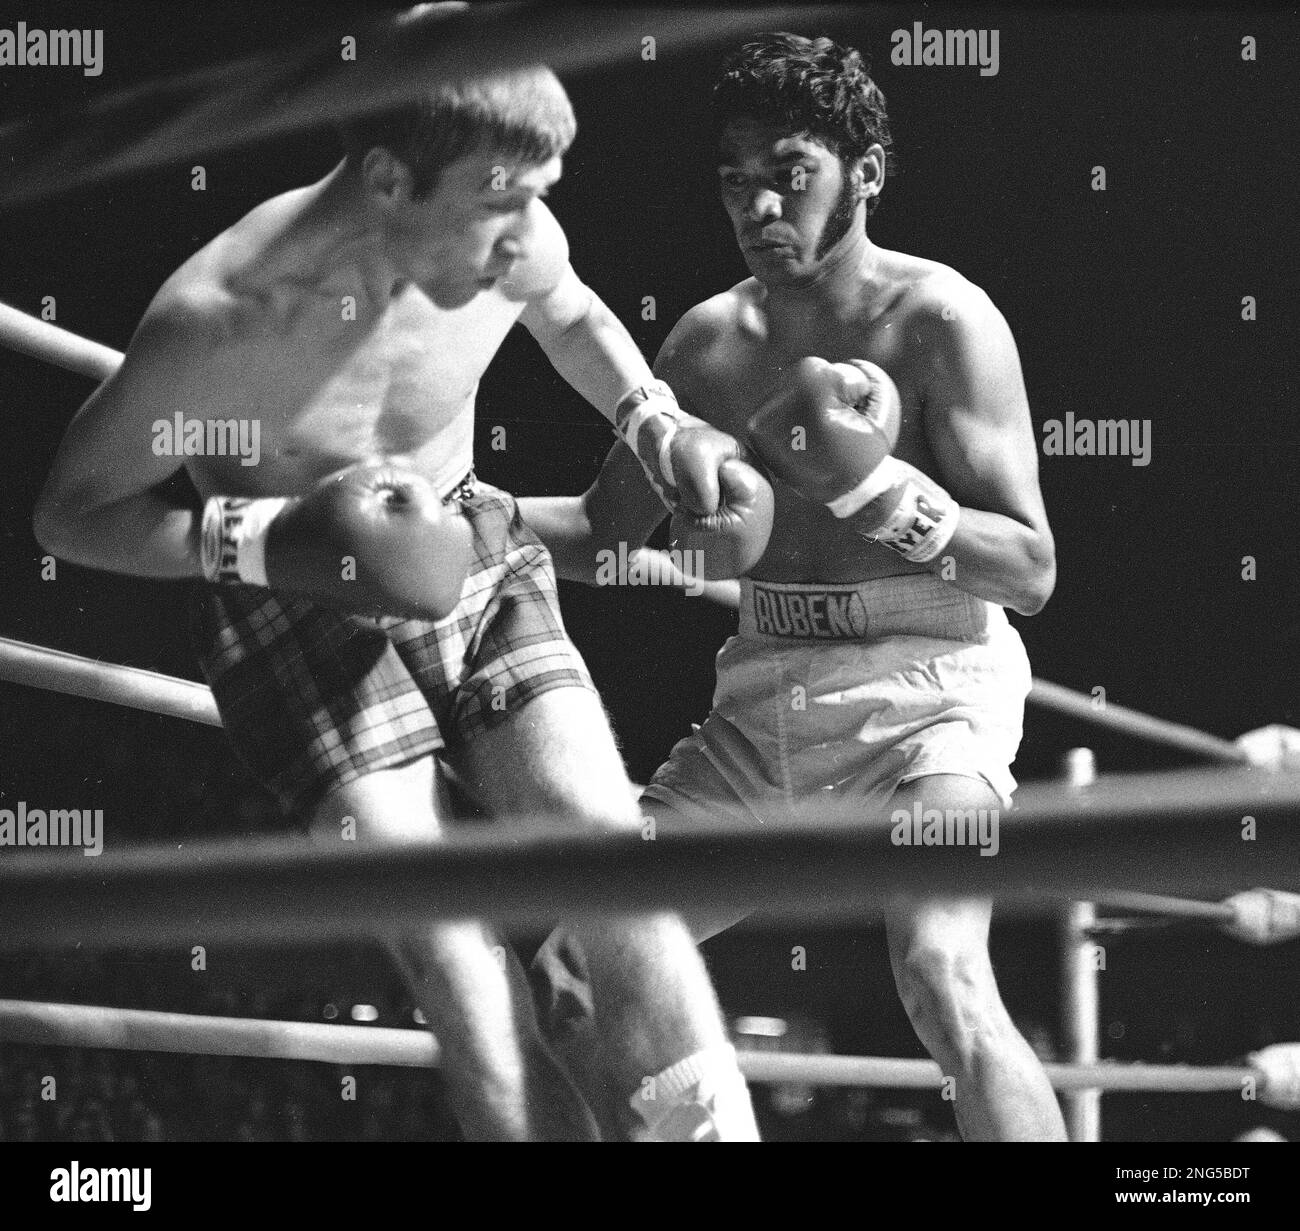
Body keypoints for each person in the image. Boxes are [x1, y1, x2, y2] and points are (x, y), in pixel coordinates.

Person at [32, 50, 762, 1142]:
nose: (524, 236)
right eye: (498, 202)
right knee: (455, 955)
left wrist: (656, 422)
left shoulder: (511, 226)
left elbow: (569, 315)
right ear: (385, 181)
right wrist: (274, 539)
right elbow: (72, 513)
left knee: (611, 860)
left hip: (469, 534)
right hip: (298, 601)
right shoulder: (224, 315)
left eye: (539, 197)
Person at [522, 32, 1067, 1140]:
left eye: (789, 173)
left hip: (936, 693)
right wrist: (458, 508)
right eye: (736, 180)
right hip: (761, 698)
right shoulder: (706, 346)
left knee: (938, 969)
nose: (758, 204)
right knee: (576, 969)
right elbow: (597, 534)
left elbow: (1030, 570)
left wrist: (880, 495)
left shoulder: (942, 319)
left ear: (864, 172)